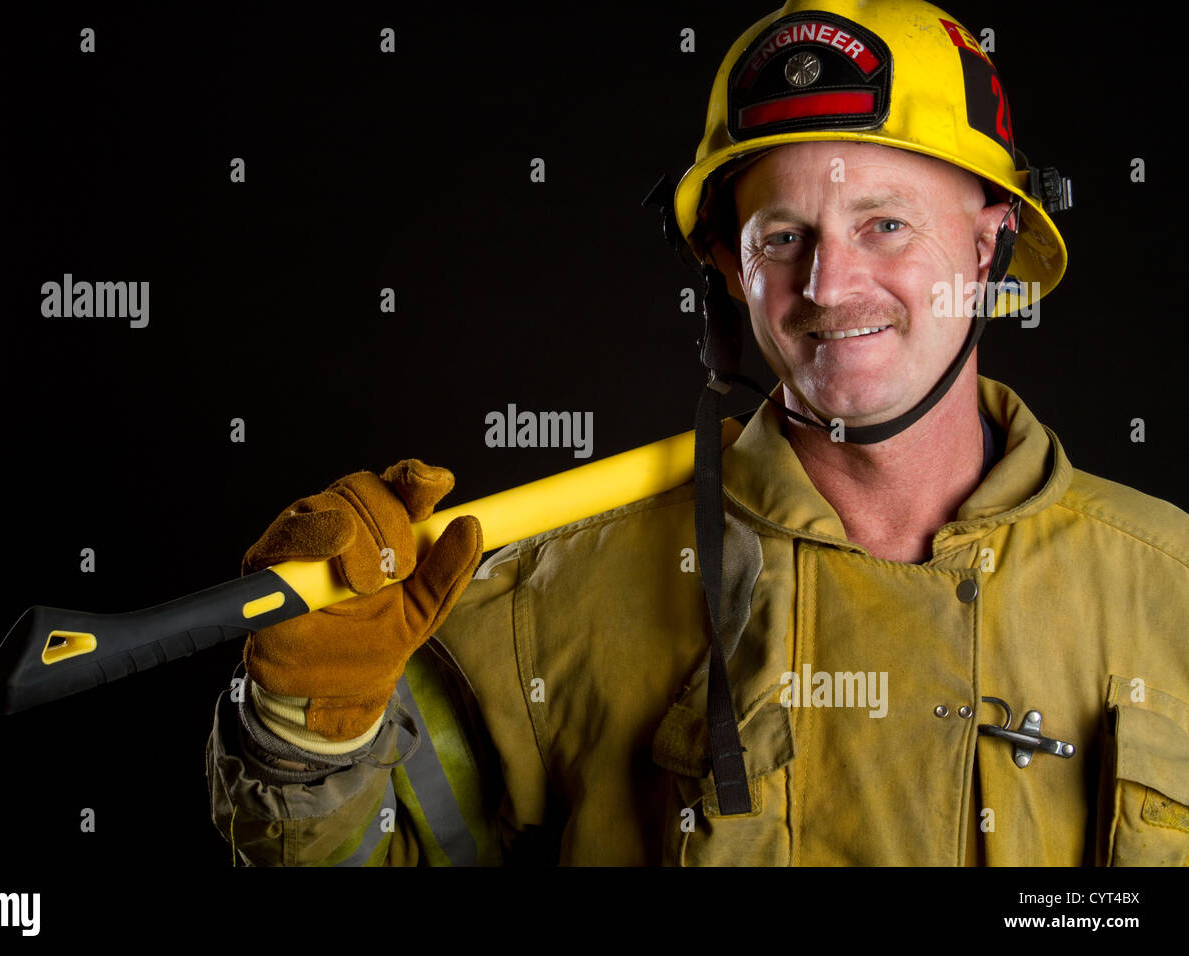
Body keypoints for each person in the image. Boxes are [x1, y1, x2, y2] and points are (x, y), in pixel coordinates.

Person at [206, 0, 1189, 866]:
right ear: (727, 267)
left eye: (885, 224)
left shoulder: (1169, 589)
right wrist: (305, 732)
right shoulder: (556, 603)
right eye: (782, 236)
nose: (828, 285)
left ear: (986, 244)